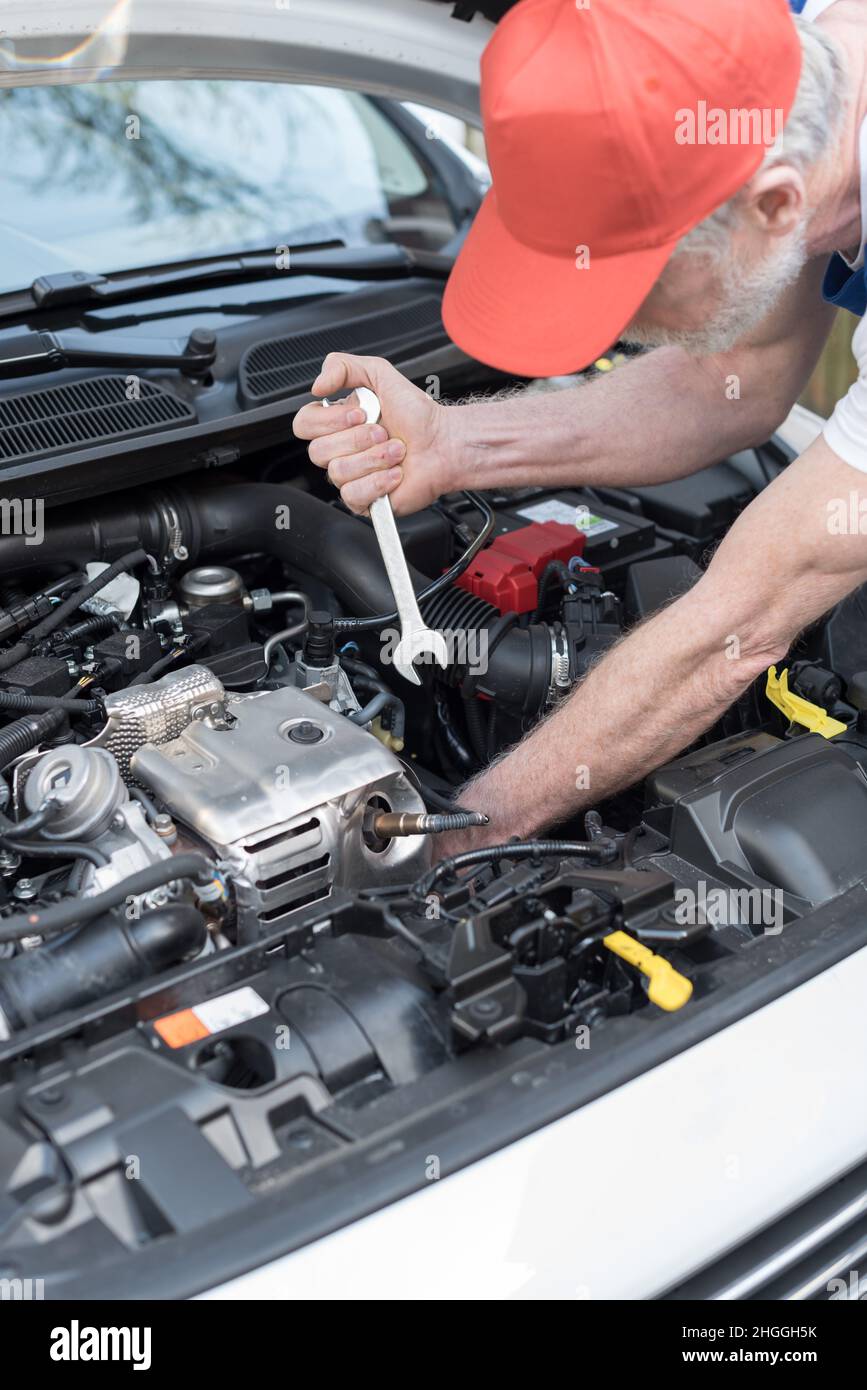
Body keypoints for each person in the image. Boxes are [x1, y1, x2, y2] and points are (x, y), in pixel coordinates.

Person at [293, 0, 867, 853]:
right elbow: (731, 385)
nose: (608, 333)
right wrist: (455, 445)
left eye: (627, 291)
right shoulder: (763, 65)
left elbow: (736, 629)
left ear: (776, 205)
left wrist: (457, 838)